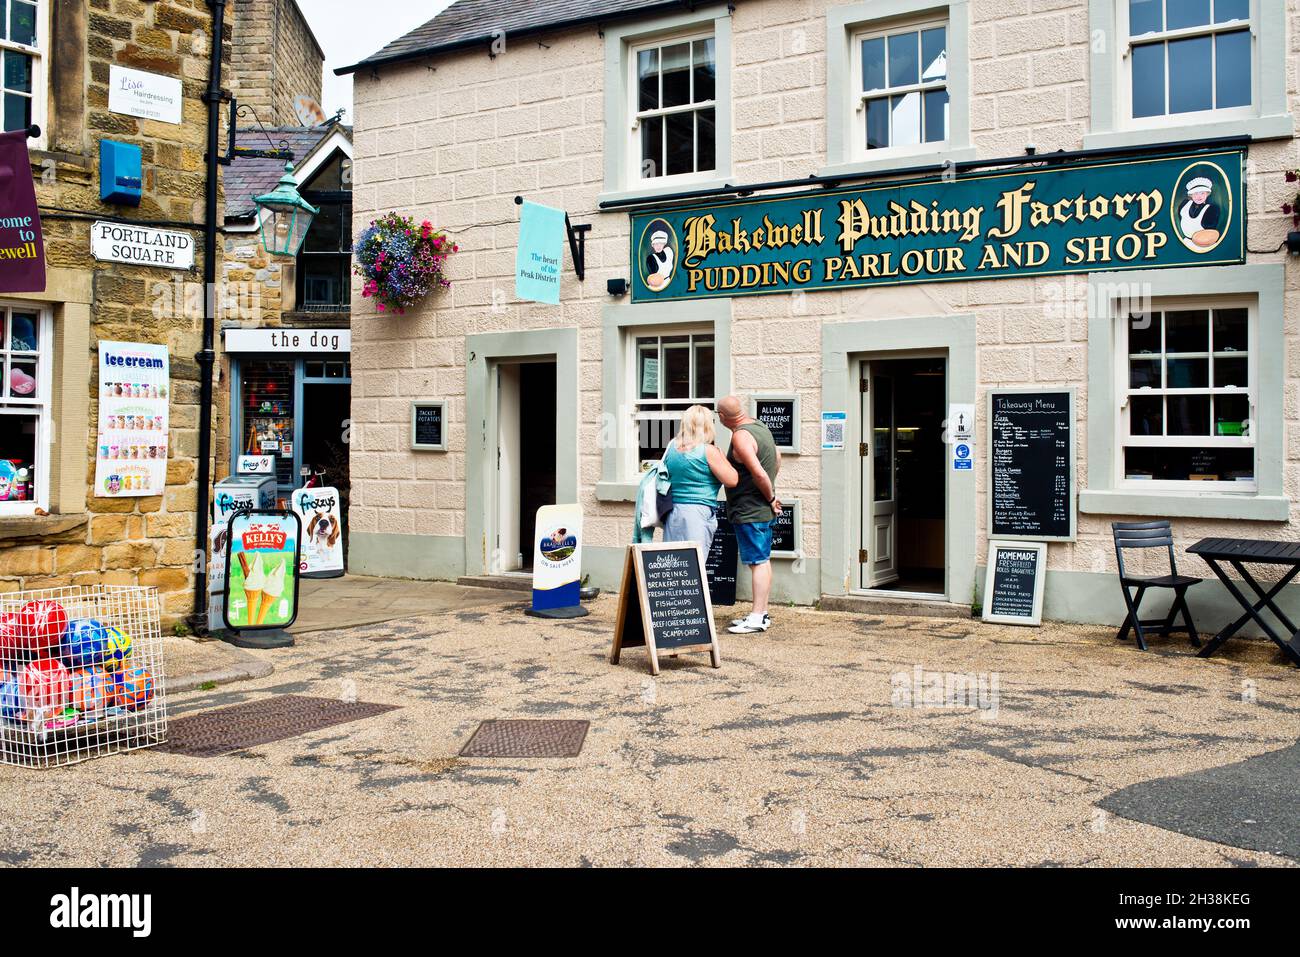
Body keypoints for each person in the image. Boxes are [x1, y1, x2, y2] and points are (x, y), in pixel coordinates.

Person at [717, 395, 781, 634]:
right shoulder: (760, 427)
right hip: (758, 507)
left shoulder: (741, 437)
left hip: (750, 509)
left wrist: (771, 497)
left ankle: (756, 617)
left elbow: (760, 473)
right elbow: (777, 458)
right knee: (762, 560)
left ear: (722, 417)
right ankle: (761, 614)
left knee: (758, 562)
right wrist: (771, 494)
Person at [663, 405, 738, 556]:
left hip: (673, 511)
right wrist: (722, 455)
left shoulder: (672, 446)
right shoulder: (708, 451)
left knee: (673, 564)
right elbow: (732, 480)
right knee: (693, 564)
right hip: (697, 511)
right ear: (708, 425)